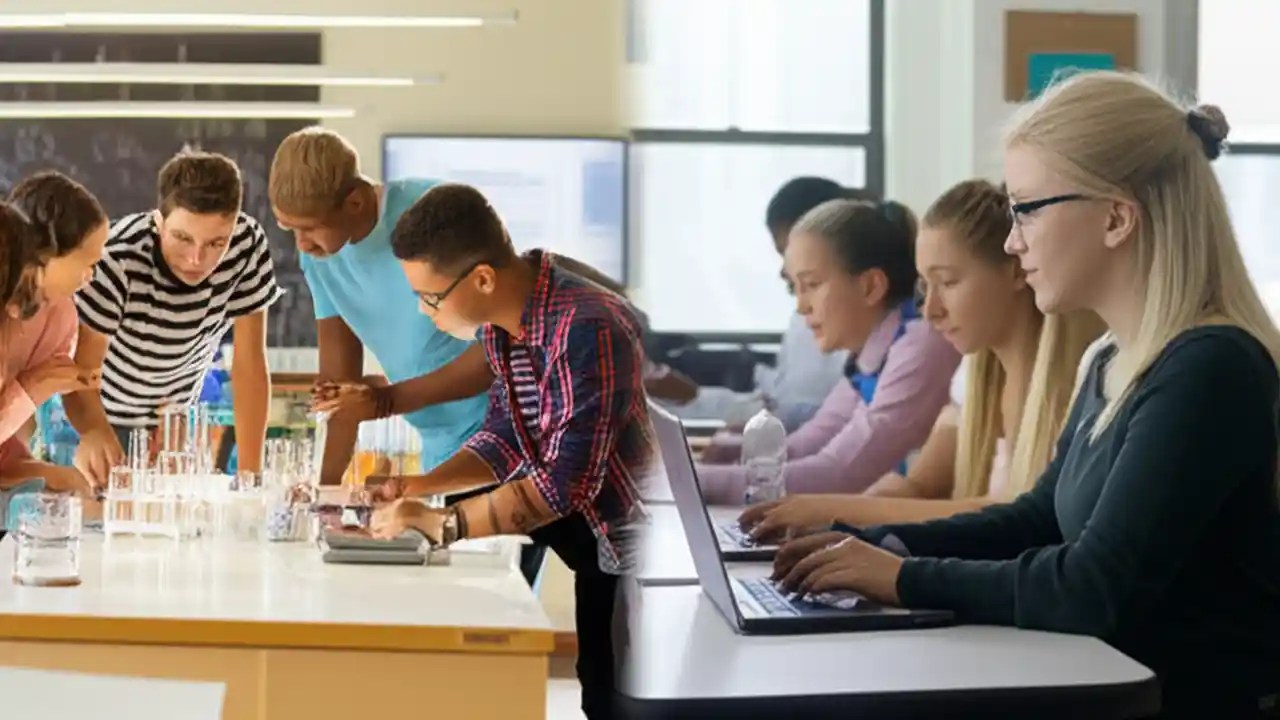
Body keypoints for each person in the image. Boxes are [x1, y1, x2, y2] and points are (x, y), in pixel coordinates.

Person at [771, 72, 1280, 717]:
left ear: (1117, 217)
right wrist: (877, 547)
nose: (1014, 241)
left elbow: (1091, 588)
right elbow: (1037, 519)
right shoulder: (1113, 359)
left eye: (1027, 209)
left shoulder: (1209, 367)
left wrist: (898, 578)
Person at [363, 183, 651, 719]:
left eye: (431, 297)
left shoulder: (585, 327)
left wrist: (442, 523)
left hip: (632, 553)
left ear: (483, 278)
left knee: (617, 697)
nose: (427, 313)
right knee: (597, 689)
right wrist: (421, 487)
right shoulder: (503, 326)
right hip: (587, 537)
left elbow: (564, 483)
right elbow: (505, 438)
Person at [739, 179, 1103, 538]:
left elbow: (1010, 515)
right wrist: (847, 529)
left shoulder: (1070, 387)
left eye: (948, 282)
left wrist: (833, 511)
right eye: (925, 288)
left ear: (1016, 271)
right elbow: (917, 486)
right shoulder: (971, 378)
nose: (930, 311)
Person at [695, 198, 961, 504]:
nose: (801, 306)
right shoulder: (874, 352)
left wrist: (696, 481)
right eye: (796, 288)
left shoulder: (922, 345)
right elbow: (808, 442)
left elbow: (838, 473)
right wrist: (716, 453)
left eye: (811, 284)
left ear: (870, 287)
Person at [268, 127, 488, 486]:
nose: (302, 244)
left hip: (510, 440)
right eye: (290, 229)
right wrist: (322, 495)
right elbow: (341, 393)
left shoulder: (432, 212)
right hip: (441, 455)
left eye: (310, 229)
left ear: (354, 202)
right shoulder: (322, 258)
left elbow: (499, 352)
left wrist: (386, 400)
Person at [66, 151, 280, 487]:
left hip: (177, 418)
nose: (197, 259)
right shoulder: (116, 258)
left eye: (215, 243)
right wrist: (94, 431)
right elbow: (82, 373)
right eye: (182, 238)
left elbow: (250, 364)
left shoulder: (247, 246)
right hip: (100, 414)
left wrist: (249, 478)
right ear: (159, 220)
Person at [661, 177, 870, 429]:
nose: (784, 271)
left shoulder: (862, 332)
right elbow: (792, 411)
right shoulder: (807, 317)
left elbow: (808, 423)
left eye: (790, 255)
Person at [1, 173, 109, 494]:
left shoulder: (61, 318)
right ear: (42, 254)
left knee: (77, 491)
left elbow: (16, 439)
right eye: (85, 263)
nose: (89, 277)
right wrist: (30, 390)